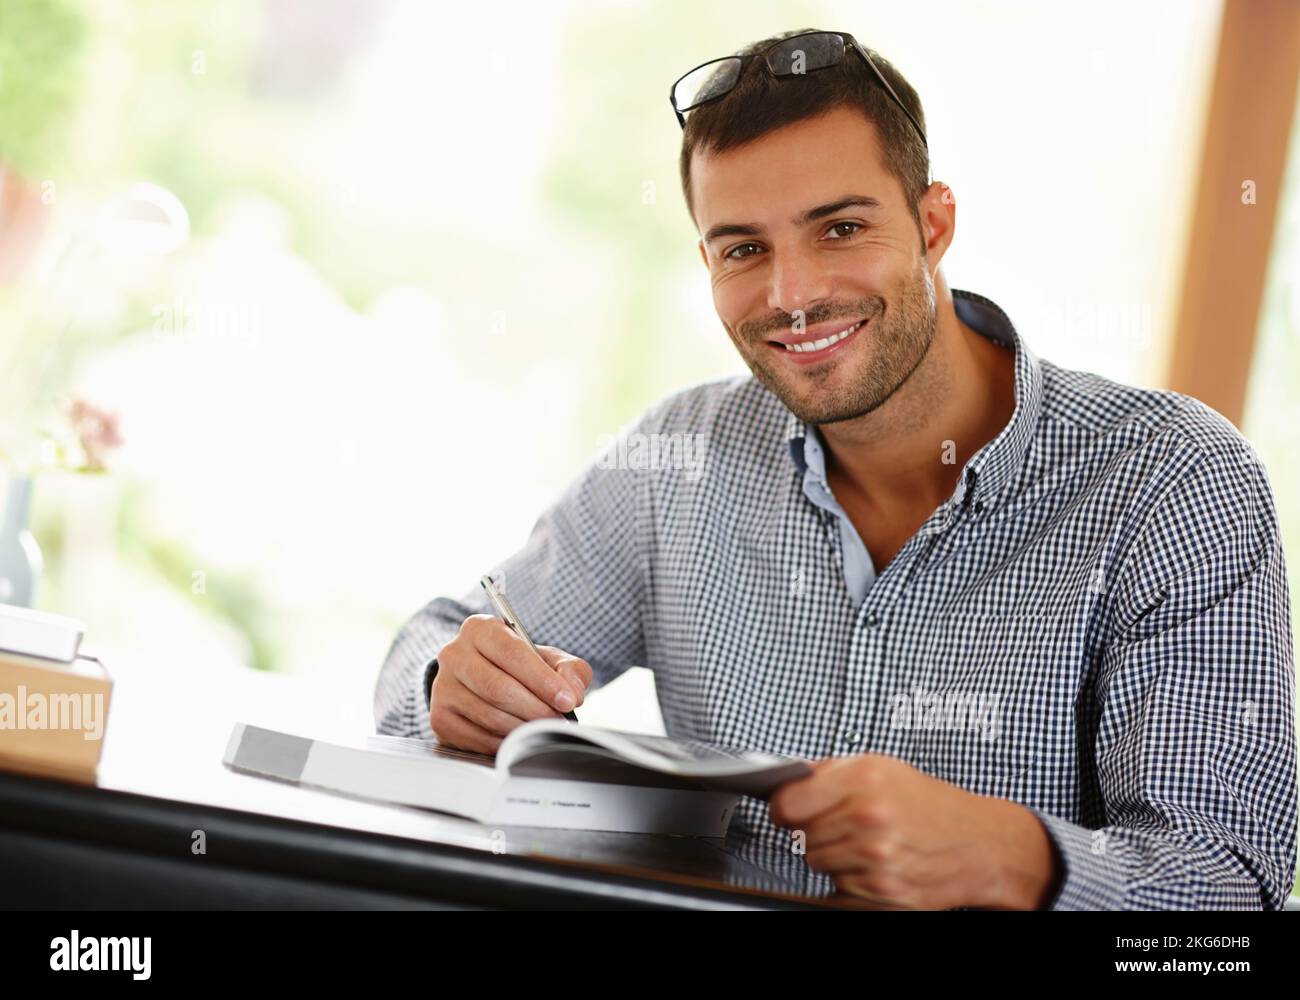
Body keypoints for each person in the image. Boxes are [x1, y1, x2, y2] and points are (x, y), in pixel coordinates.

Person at [374, 28, 1297, 910]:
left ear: (933, 224)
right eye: (743, 249)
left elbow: (1228, 900)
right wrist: (449, 684)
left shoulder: (1173, 479)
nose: (792, 295)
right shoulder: (678, 460)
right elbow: (435, 643)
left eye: (841, 228)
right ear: (706, 261)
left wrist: (1008, 855)